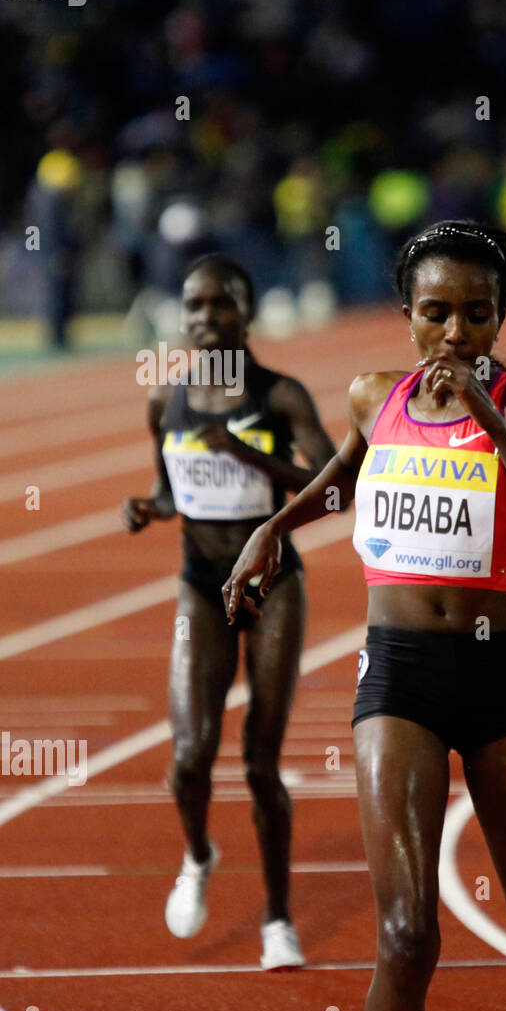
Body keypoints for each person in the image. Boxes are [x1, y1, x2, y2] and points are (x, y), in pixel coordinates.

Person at [222, 221, 506, 1011]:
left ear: (501, 316)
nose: (456, 333)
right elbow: (350, 475)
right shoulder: (373, 396)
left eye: (477, 313)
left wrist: (490, 420)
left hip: (504, 677)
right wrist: (272, 529)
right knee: (405, 934)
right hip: (399, 674)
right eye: (436, 312)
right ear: (406, 313)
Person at [123, 254, 337, 969]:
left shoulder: (280, 396)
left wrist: (250, 456)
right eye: (194, 307)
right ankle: (198, 853)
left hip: (272, 583)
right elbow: (170, 490)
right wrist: (146, 508)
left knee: (260, 763)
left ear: (247, 313)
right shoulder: (166, 402)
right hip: (200, 581)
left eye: (221, 305)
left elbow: (335, 486)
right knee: (189, 756)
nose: (205, 319)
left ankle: (278, 917)